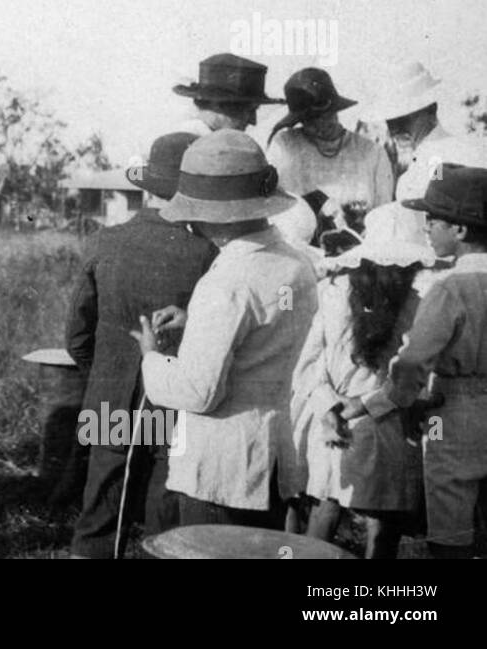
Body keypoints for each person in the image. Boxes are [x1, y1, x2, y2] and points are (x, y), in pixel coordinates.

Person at [135, 130, 318, 529]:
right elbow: (269, 327)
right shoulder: (296, 264)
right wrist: (196, 322)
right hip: (272, 456)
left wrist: (152, 357)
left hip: (222, 465)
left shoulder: (226, 281)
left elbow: (198, 392)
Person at [66, 132, 217, 558]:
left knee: (99, 507)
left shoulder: (105, 242)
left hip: (108, 397)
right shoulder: (207, 253)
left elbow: (76, 334)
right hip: (172, 404)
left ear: (147, 187)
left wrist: (100, 375)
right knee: (163, 510)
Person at [337, 164, 487, 558]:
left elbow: (412, 367)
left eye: (434, 220)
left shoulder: (449, 289)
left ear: (461, 231)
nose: (427, 228)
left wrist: (368, 405)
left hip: (449, 412)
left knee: (450, 515)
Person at [285, 202, 435, 558]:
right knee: (381, 525)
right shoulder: (417, 305)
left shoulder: (331, 292)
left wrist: (328, 406)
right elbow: (412, 377)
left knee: (326, 508)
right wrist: (365, 405)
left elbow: (306, 363)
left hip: (332, 420)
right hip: (387, 423)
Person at [266, 67, 394, 213]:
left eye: (325, 116)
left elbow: (384, 216)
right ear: (300, 121)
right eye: (311, 120)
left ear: (335, 109)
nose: (321, 125)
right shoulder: (285, 147)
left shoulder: (372, 154)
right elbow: (271, 206)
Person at [172, 53, 284, 135]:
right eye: (249, 111)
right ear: (217, 105)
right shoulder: (190, 144)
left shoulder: (206, 140)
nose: (253, 121)